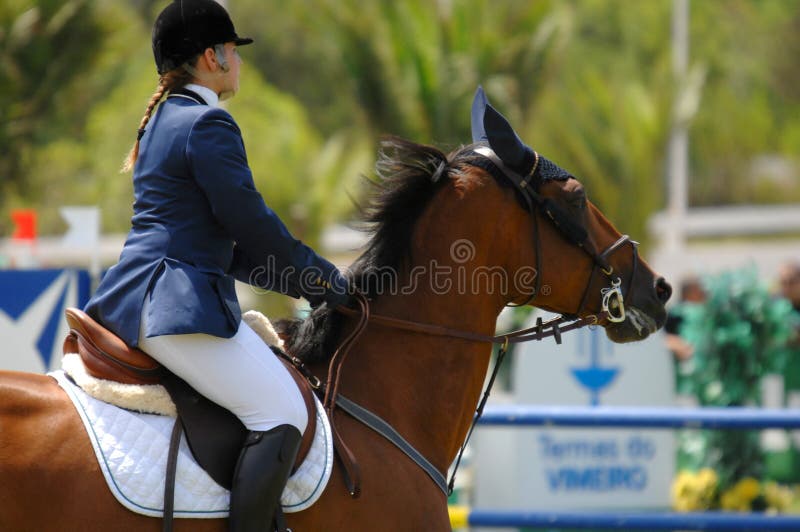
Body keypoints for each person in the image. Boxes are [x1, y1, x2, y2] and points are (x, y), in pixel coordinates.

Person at [83, 1, 349, 529]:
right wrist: (325, 280)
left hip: (136, 294)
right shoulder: (208, 123)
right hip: (175, 307)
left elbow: (228, 250)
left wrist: (319, 286)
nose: (240, 63)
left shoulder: (161, 121)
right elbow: (253, 225)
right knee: (284, 412)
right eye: (234, 51)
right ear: (212, 57)